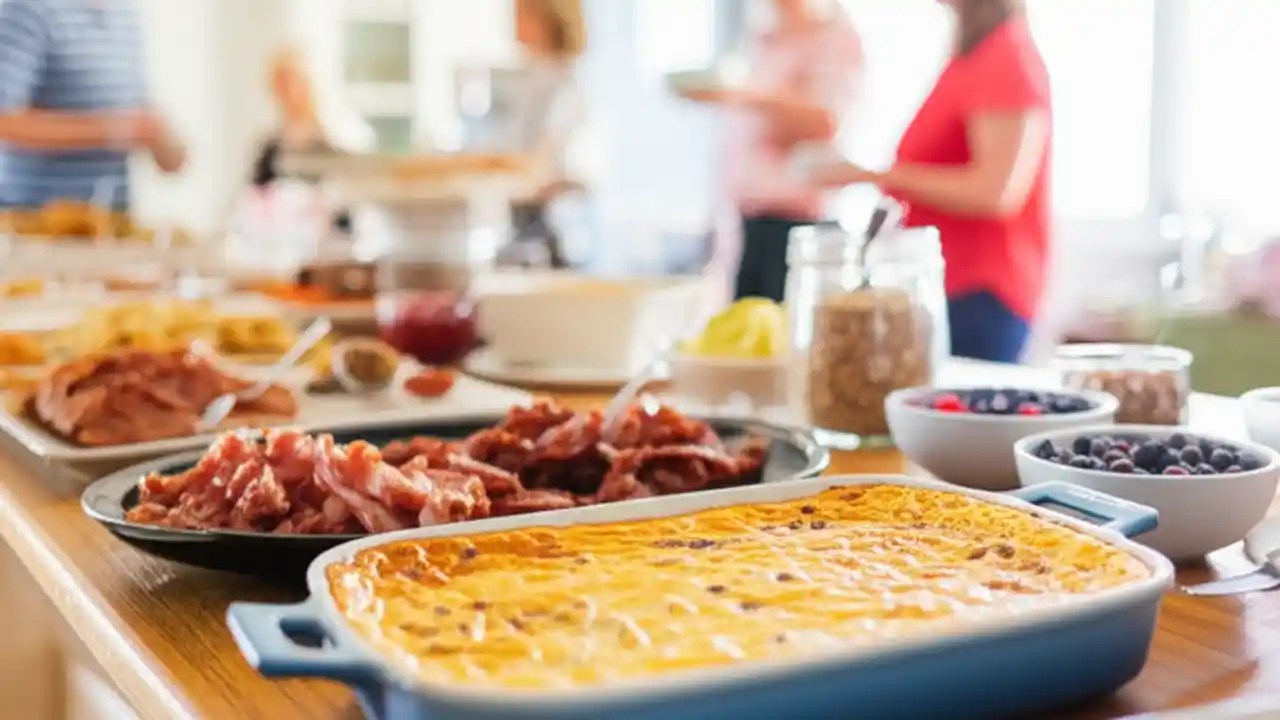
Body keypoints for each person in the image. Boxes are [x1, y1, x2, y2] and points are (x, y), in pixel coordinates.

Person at [813, 0, 1051, 363]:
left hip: (982, 291)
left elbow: (997, 192)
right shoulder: (971, 55)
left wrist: (873, 176)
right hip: (948, 283)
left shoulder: (1006, 55)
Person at [684, 0, 863, 302]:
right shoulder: (765, 40)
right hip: (751, 219)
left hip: (797, 224)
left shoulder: (833, 38)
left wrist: (750, 96)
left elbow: (825, 121)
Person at [0, 0, 185, 210]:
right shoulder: (31, 9)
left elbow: (134, 110)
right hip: (36, 217)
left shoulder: (125, 15)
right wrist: (111, 131)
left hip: (108, 220)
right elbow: (4, 121)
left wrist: (158, 139)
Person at [494, 0, 592, 269]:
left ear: (547, 17)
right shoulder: (530, 78)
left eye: (522, 13)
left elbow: (544, 156)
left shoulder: (564, 83)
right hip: (526, 216)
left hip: (553, 227)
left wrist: (513, 176)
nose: (513, 22)